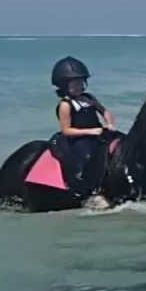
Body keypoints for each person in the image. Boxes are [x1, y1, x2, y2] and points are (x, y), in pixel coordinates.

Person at [51, 56, 117, 196]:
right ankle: (91, 190)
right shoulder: (65, 105)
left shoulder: (89, 98)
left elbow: (104, 111)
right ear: (64, 86)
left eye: (80, 83)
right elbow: (66, 130)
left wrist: (109, 123)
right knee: (89, 158)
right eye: (74, 84)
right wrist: (91, 131)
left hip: (98, 133)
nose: (79, 86)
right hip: (78, 139)